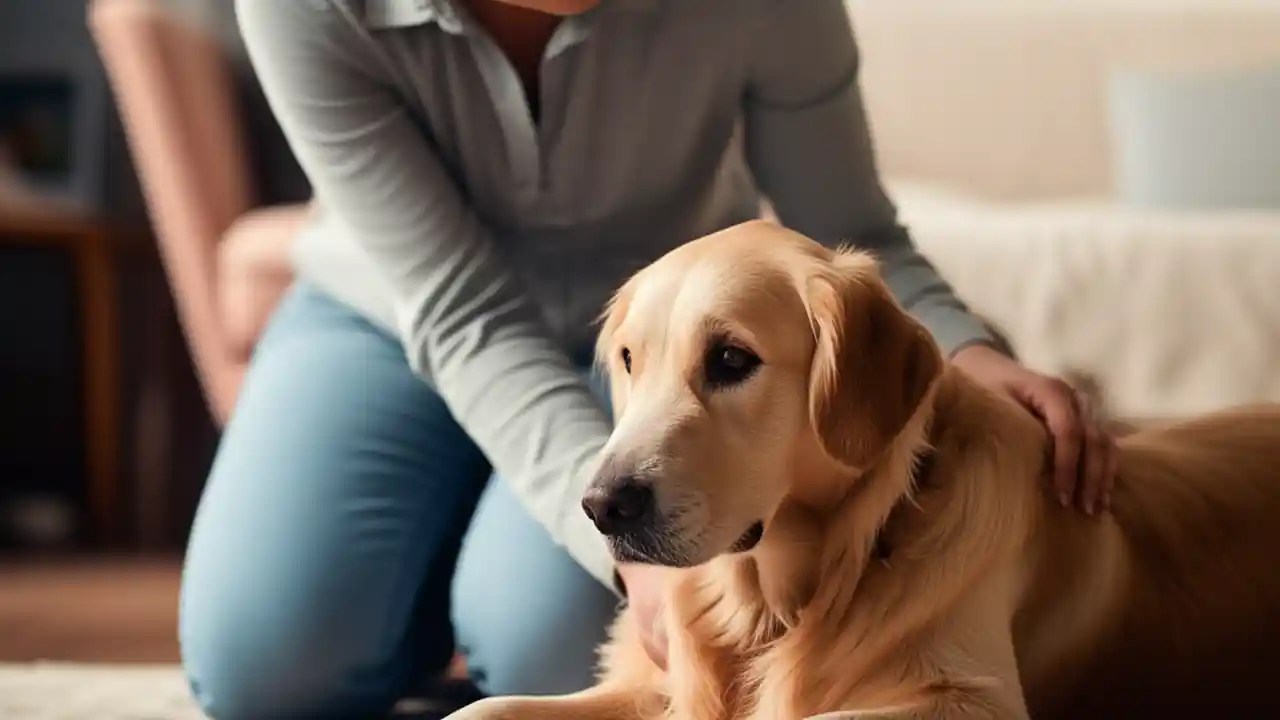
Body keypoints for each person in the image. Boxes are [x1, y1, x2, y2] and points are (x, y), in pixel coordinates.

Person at [179, 0, 1118, 717]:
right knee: (262, 663)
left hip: (662, 348)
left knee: (550, 646)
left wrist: (968, 350)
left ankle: (453, 587)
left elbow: (854, 231)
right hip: (392, 318)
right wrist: (632, 564)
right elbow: (464, 315)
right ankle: (416, 576)